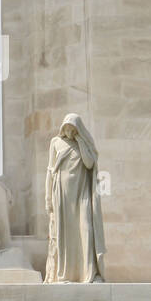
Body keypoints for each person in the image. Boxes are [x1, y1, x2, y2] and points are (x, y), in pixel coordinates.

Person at [45, 114, 106, 283]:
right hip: (62, 195)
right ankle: (65, 274)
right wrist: (47, 197)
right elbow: (50, 171)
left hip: (81, 194)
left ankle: (89, 272)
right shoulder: (55, 142)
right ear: (63, 128)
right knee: (64, 234)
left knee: (85, 229)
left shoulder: (84, 144)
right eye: (67, 128)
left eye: (73, 128)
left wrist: (80, 141)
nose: (70, 131)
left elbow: (89, 164)